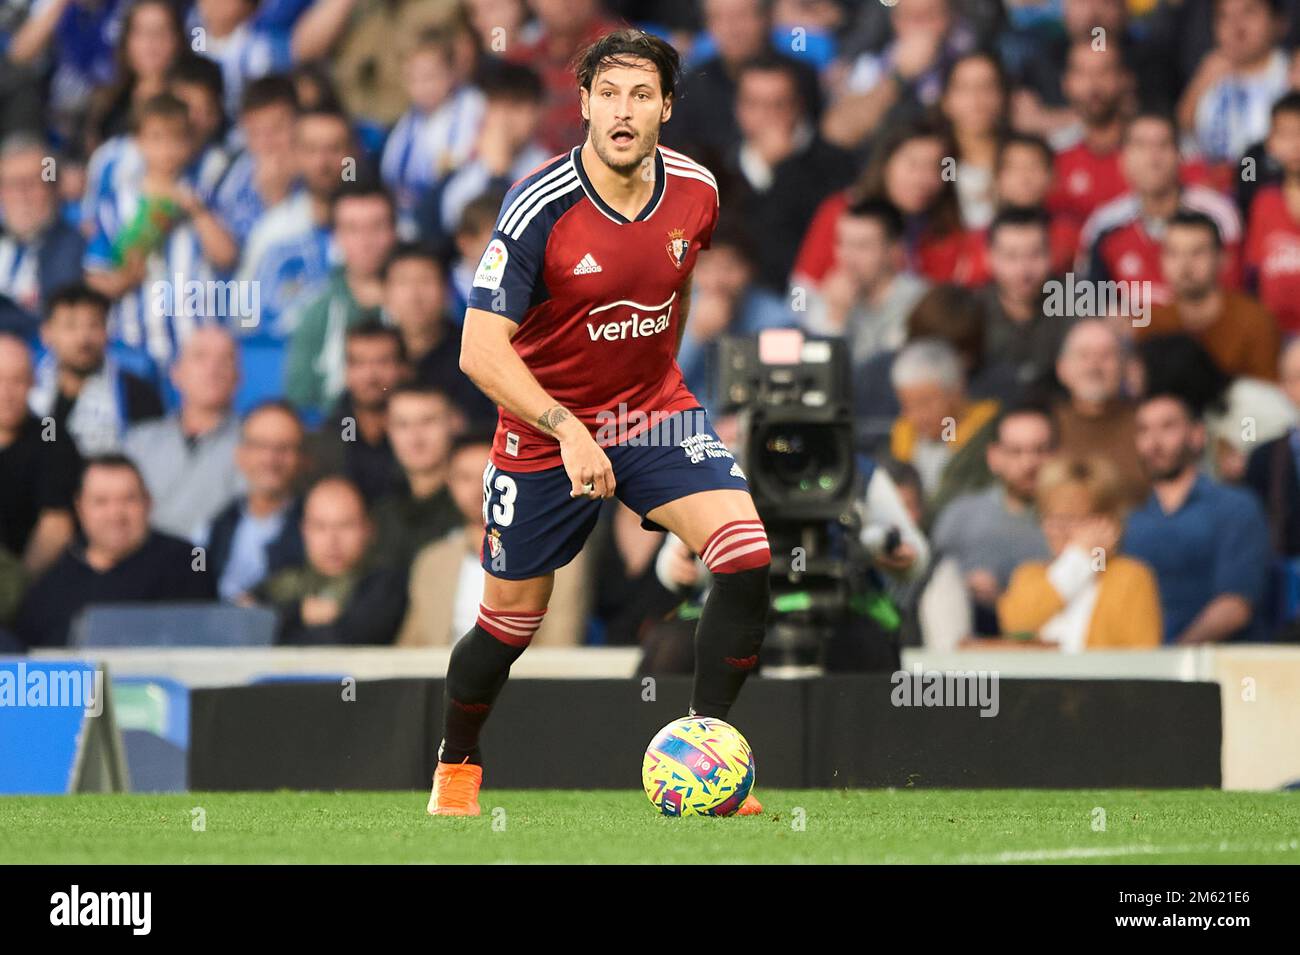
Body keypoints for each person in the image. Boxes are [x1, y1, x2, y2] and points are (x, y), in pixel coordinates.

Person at [429, 30, 771, 818]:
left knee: (747, 554)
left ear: (667, 107)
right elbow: (479, 349)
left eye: (641, 94)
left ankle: (708, 751)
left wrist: (662, 389)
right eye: (608, 94)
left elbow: (676, 290)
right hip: (543, 430)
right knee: (507, 625)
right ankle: (457, 763)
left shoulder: (697, 191)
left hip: (651, 410)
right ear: (582, 104)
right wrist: (566, 427)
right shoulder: (538, 206)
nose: (623, 111)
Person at [397, 431, 588, 646]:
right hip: (441, 678)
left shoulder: (559, 558)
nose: (480, 489)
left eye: (489, 474)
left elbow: (561, 650)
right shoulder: (431, 561)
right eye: (465, 477)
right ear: (449, 483)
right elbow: (410, 649)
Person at [14, 454, 216, 648]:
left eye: (129, 500)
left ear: (148, 502)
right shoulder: (53, 581)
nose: (116, 514)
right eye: (101, 501)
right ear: (80, 508)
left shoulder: (186, 564)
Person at [1122, 392, 1271, 643]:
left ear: (1197, 434)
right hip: (1139, 661)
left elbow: (1236, 606)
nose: (1153, 442)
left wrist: (1175, 655)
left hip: (1215, 663)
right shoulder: (1129, 517)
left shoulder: (1235, 506)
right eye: (1143, 430)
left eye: (1168, 427)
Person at [997, 455, 1162, 650]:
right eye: (1051, 518)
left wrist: (1087, 557)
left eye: (1071, 519)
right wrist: (1077, 560)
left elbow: (1142, 658)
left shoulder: (1130, 578)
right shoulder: (1029, 575)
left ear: (1107, 522)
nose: (1057, 530)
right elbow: (1015, 624)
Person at [930, 404, 1054, 633]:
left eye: (1040, 450)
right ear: (994, 457)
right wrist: (964, 586)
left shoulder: (1078, 521)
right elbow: (931, 584)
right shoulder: (960, 516)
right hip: (973, 650)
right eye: (1016, 451)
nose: (1029, 463)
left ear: (1057, 454)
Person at [253, 475, 406, 645]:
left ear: (368, 530)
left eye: (345, 525)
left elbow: (345, 641)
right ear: (305, 531)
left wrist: (283, 624)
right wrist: (299, 613)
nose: (332, 541)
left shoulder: (386, 584)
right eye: (320, 527)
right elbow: (242, 622)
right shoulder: (284, 582)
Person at [283, 180, 396, 413]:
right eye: (353, 229)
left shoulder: (421, 303)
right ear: (336, 237)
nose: (366, 241)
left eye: (376, 227)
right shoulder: (316, 312)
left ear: (394, 231)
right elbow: (299, 402)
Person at [123, 326, 243, 542]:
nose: (213, 369)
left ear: (239, 377)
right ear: (175, 373)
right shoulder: (138, 442)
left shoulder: (257, 446)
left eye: (226, 359)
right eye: (200, 357)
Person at [29, 282, 164, 456]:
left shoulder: (134, 393)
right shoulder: (27, 387)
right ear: (46, 333)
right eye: (71, 326)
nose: (83, 338)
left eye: (93, 325)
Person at [1144, 210, 1279, 380]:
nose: (1184, 266)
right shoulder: (1152, 324)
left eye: (1198, 253)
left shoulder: (1254, 321)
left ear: (1222, 259)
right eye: (1173, 253)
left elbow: (1267, 396)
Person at [201, 400, 306, 602]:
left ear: (301, 458)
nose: (270, 459)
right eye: (259, 446)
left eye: (283, 447)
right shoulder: (214, 526)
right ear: (240, 455)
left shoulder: (318, 527)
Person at [888, 338, 1000, 515]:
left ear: (956, 392)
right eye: (907, 405)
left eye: (925, 403)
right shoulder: (902, 436)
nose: (916, 416)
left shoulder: (986, 434)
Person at [0, 332, 80, 576]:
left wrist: (15, 592)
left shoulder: (51, 437)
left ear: (33, 382)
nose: (7, 393)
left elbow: (56, 526)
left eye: (18, 380)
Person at [305, 320, 404, 503]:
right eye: (358, 363)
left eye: (382, 362)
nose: (370, 375)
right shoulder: (334, 433)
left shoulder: (419, 429)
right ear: (346, 369)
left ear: (402, 368)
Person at [1053, 318, 1148, 507]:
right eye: (1083, 355)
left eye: (1106, 356)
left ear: (1124, 367)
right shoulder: (1046, 426)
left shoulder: (1148, 425)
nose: (1094, 367)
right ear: (1062, 369)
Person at [368, 383, 462, 573]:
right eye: (402, 425)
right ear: (388, 430)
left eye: (428, 422)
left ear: (454, 423)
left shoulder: (476, 507)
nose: (415, 438)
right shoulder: (380, 512)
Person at [0, 134, 86, 336]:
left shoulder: (73, 247)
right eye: (10, 184)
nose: (21, 195)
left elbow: (55, 317)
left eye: (32, 183)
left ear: (54, 188)